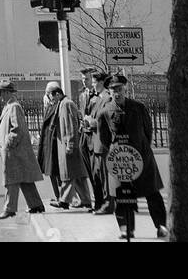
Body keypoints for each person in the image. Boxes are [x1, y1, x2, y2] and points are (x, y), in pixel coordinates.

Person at [98, 73, 168, 239]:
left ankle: (161, 226)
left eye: (120, 89)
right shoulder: (105, 112)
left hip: (143, 158)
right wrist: (119, 152)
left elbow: (148, 131)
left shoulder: (138, 107)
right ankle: (126, 229)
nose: (117, 92)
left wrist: (140, 148)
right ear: (109, 91)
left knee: (152, 194)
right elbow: (105, 139)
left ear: (125, 89)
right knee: (123, 197)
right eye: (113, 90)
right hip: (121, 160)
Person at [0, 79, 46, 218]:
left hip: (14, 151)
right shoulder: (10, 106)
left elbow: (17, 128)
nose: (0, 95)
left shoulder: (13, 107)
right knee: (24, 179)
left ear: (7, 92)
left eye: (1, 92)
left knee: (11, 180)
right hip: (16, 151)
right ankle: (36, 205)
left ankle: (9, 208)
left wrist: (8, 143)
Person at [55, 82, 93, 209]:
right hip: (69, 144)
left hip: (70, 145)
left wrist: (70, 144)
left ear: (57, 94)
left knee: (69, 173)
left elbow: (71, 125)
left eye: (50, 95)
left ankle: (64, 200)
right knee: (78, 175)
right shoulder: (62, 104)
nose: (49, 99)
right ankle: (86, 200)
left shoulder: (66, 104)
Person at [84, 70, 113, 213]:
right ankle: (102, 203)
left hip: (102, 142)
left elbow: (106, 120)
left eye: (94, 82)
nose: (93, 85)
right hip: (95, 142)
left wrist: (91, 122)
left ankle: (108, 204)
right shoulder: (98, 98)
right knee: (98, 175)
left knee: (105, 176)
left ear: (101, 83)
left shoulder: (107, 98)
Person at [38, 82, 63, 205]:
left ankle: (62, 197)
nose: (47, 97)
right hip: (48, 143)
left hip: (55, 143)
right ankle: (58, 195)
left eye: (49, 94)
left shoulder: (60, 106)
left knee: (57, 172)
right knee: (51, 172)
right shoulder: (49, 106)